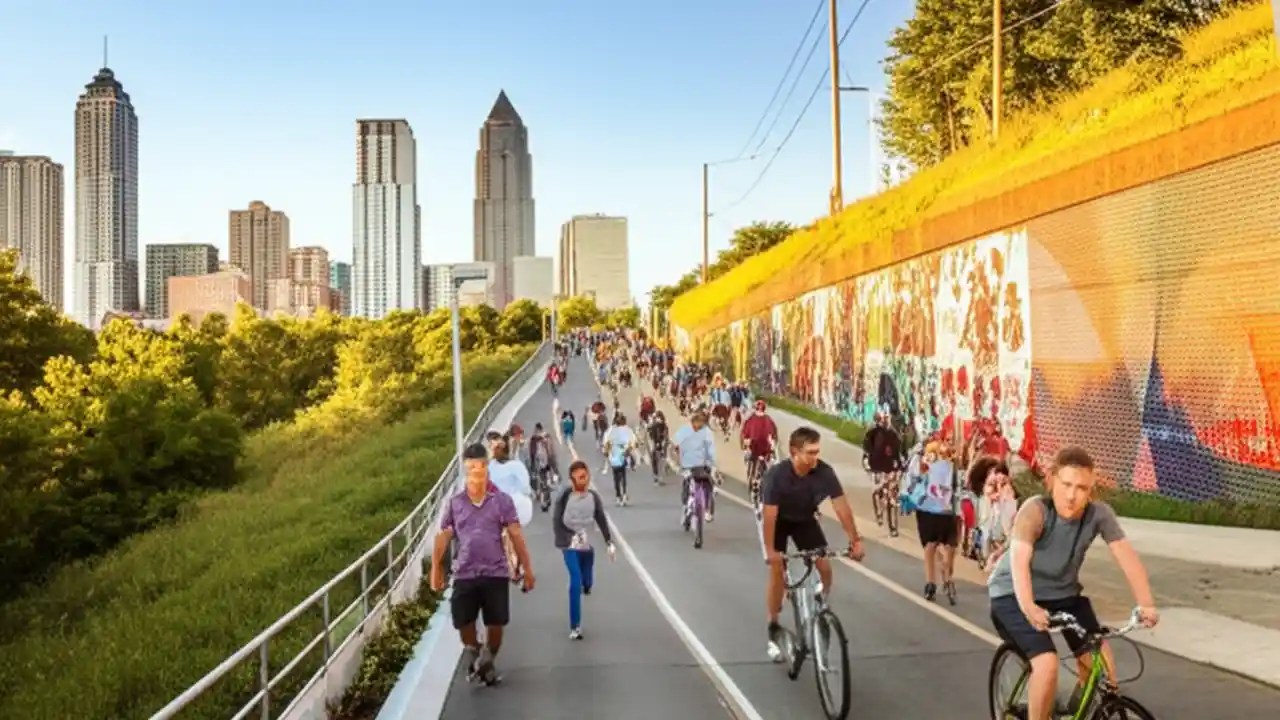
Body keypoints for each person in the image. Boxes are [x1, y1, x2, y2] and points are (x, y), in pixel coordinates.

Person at [988, 446, 1158, 720]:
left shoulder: (1099, 515)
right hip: (1012, 594)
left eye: (1081, 487)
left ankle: (1077, 713)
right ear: (1052, 479)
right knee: (1046, 663)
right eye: (1066, 484)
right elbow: (1019, 562)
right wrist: (1029, 607)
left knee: (1105, 669)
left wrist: (1146, 604)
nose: (1071, 495)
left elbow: (1127, 558)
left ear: (1091, 489)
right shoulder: (1035, 511)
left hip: (1064, 595)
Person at [430, 443, 536, 686]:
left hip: (495, 572)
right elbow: (444, 534)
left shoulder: (502, 501)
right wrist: (436, 566)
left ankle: (488, 658)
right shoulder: (456, 503)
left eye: (480, 466)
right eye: (471, 468)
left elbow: (516, 535)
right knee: (463, 622)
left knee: (496, 624)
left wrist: (527, 570)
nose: (476, 471)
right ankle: (477, 653)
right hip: (465, 573)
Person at [761, 426, 865, 661]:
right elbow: (769, 516)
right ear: (794, 452)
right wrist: (771, 551)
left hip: (804, 519)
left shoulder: (824, 472)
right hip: (778, 521)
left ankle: (820, 609)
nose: (815, 458)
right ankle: (773, 627)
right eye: (809, 453)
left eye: (817, 452)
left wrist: (855, 540)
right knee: (777, 571)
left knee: (824, 565)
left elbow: (841, 507)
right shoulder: (776, 476)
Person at [551, 460, 617, 640]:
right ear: (572, 479)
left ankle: (587, 585)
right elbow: (557, 520)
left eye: (585, 476)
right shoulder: (565, 496)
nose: (584, 480)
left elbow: (601, 518)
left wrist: (609, 542)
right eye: (579, 477)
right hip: (568, 542)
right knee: (575, 578)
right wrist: (565, 539)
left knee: (587, 574)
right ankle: (575, 626)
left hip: (584, 541)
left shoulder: (593, 497)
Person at [913, 440, 960, 602]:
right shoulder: (950, 468)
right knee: (942, 547)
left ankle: (933, 582)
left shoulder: (925, 464)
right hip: (943, 512)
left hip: (931, 510)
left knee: (932, 547)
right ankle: (940, 580)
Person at [487, 434, 534, 583]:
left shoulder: (490, 467)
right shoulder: (516, 466)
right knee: (516, 537)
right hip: (515, 505)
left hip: (495, 507)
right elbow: (525, 487)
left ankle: (508, 566)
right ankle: (518, 566)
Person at [671, 410, 718, 521]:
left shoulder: (705, 433)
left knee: (709, 483)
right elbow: (676, 444)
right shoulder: (686, 431)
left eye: (700, 423)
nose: (698, 425)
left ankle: (707, 510)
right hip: (691, 464)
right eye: (696, 423)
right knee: (688, 482)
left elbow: (711, 449)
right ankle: (687, 505)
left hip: (700, 464)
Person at [603, 414, 636, 506]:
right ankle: (623, 494)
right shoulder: (626, 430)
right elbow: (632, 442)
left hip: (614, 455)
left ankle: (619, 496)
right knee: (622, 476)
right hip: (622, 454)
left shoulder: (611, 431)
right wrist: (629, 451)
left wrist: (606, 451)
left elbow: (606, 442)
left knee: (616, 477)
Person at [647, 410, 670, 483]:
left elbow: (650, 435)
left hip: (655, 445)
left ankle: (656, 477)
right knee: (659, 462)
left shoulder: (654, 425)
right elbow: (665, 436)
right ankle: (658, 478)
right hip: (659, 445)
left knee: (655, 462)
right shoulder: (662, 425)